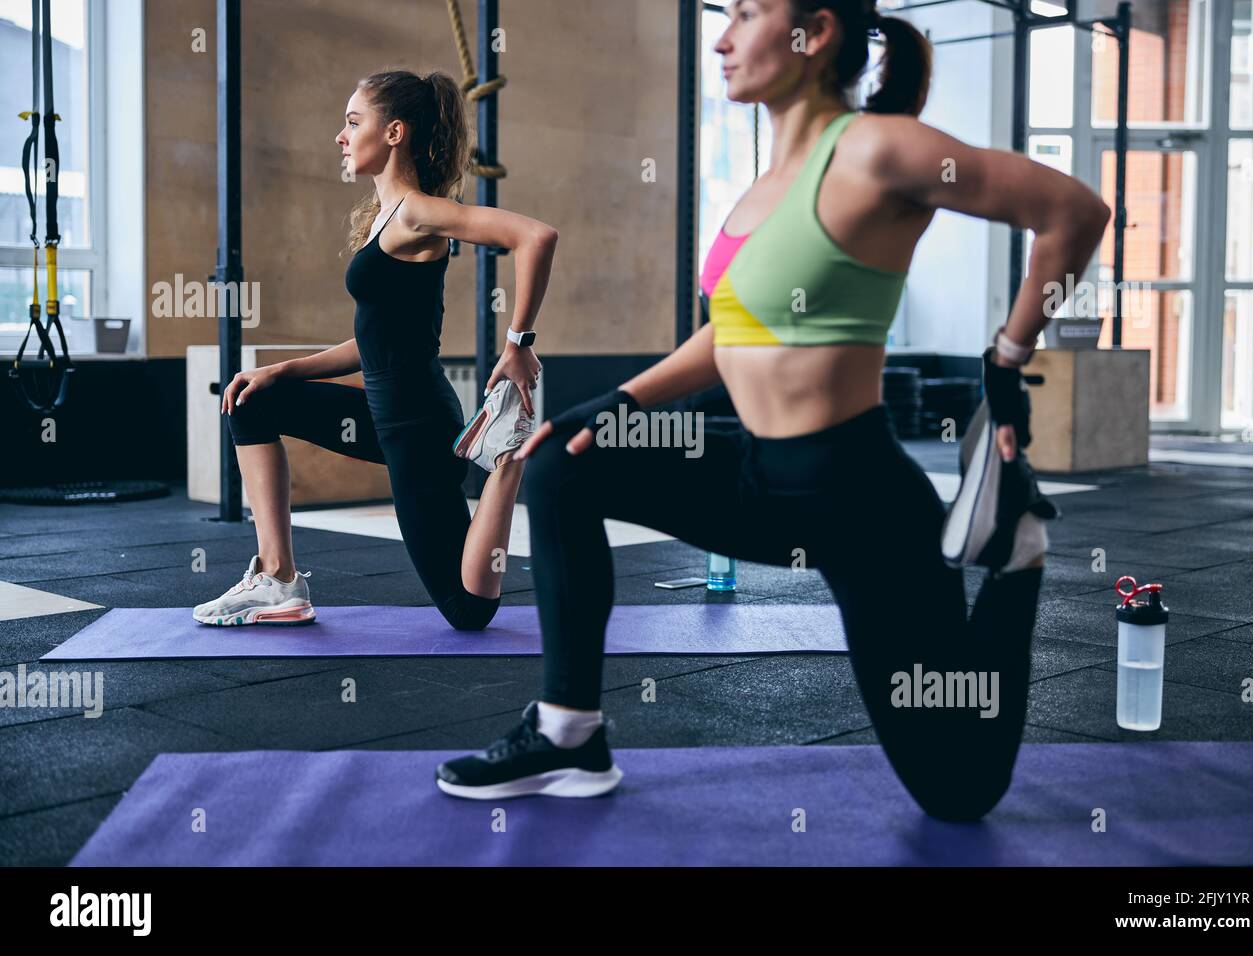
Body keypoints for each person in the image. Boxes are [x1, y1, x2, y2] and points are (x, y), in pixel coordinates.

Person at [436, 0, 1110, 821]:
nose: (722, 38)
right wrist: (618, 403)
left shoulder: (877, 148)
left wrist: (1006, 355)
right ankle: (568, 733)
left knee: (958, 793)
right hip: (758, 476)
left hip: (856, 495)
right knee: (562, 463)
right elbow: (730, 332)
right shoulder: (758, 188)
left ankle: (1017, 560)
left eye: (747, 14)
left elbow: (1074, 213)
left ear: (814, 33)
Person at [193, 70, 553, 630]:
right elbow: (375, 342)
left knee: (468, 611)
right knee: (252, 401)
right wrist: (281, 370)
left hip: (416, 426)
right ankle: (279, 580)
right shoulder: (382, 219)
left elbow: (535, 236)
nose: (341, 135)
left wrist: (517, 344)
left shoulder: (416, 212)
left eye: (353, 121)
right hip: (385, 413)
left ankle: (508, 457)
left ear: (394, 132)